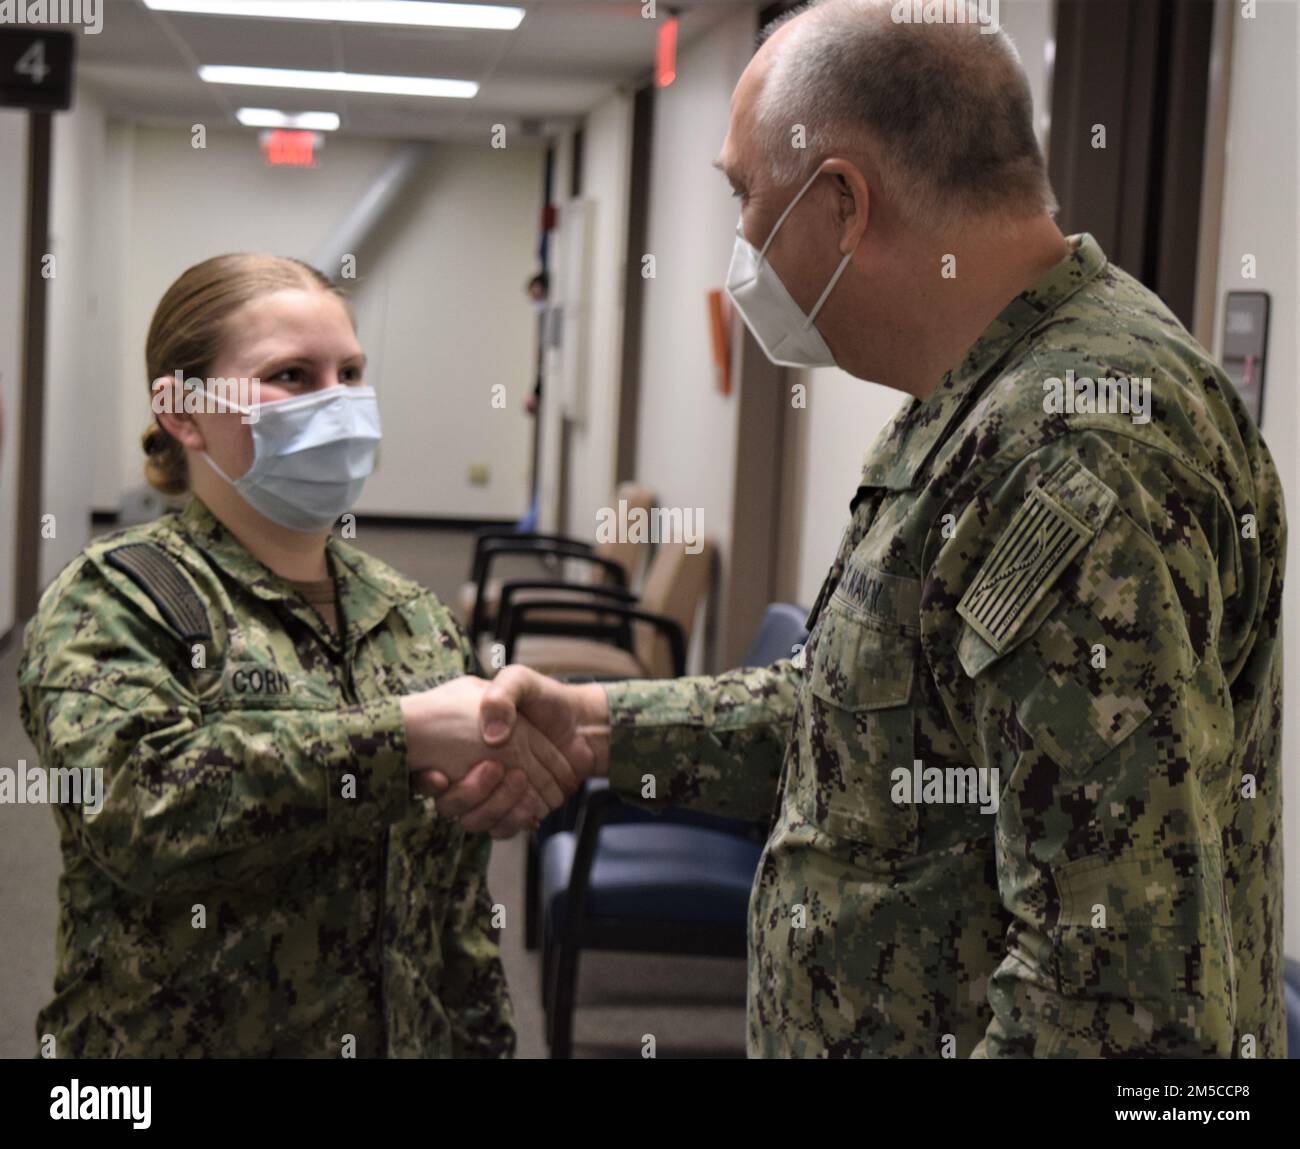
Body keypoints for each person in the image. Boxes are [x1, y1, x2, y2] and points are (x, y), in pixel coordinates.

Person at [437, 0, 1287, 1058]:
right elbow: (870, 720)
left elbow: (1111, 1004)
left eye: (746, 195)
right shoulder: (982, 395)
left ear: (841, 203)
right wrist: (598, 726)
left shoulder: (1069, 450)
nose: (739, 240)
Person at [18, 254, 585, 1058]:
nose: (338, 401)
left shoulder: (413, 618)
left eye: (351, 372)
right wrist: (403, 735)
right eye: (291, 374)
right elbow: (136, 812)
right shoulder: (113, 598)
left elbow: (453, 913)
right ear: (182, 412)